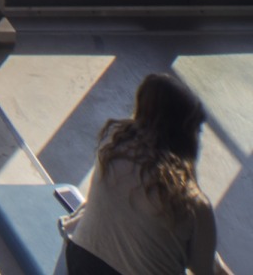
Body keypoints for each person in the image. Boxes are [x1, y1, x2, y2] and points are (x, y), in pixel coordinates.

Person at [68, 74, 231, 275]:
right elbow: (204, 270)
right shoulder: (195, 205)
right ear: (188, 136)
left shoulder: (112, 144)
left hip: (78, 266)